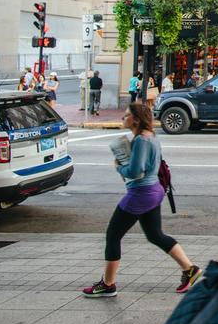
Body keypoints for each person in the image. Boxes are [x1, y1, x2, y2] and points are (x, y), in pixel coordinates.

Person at [82, 102, 201, 298]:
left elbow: (135, 172)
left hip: (140, 193)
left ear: (136, 119)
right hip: (154, 190)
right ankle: (190, 270)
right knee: (155, 235)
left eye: (127, 115)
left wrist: (119, 166)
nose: (123, 118)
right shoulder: (152, 137)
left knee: (113, 236)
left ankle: (108, 284)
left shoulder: (141, 141)